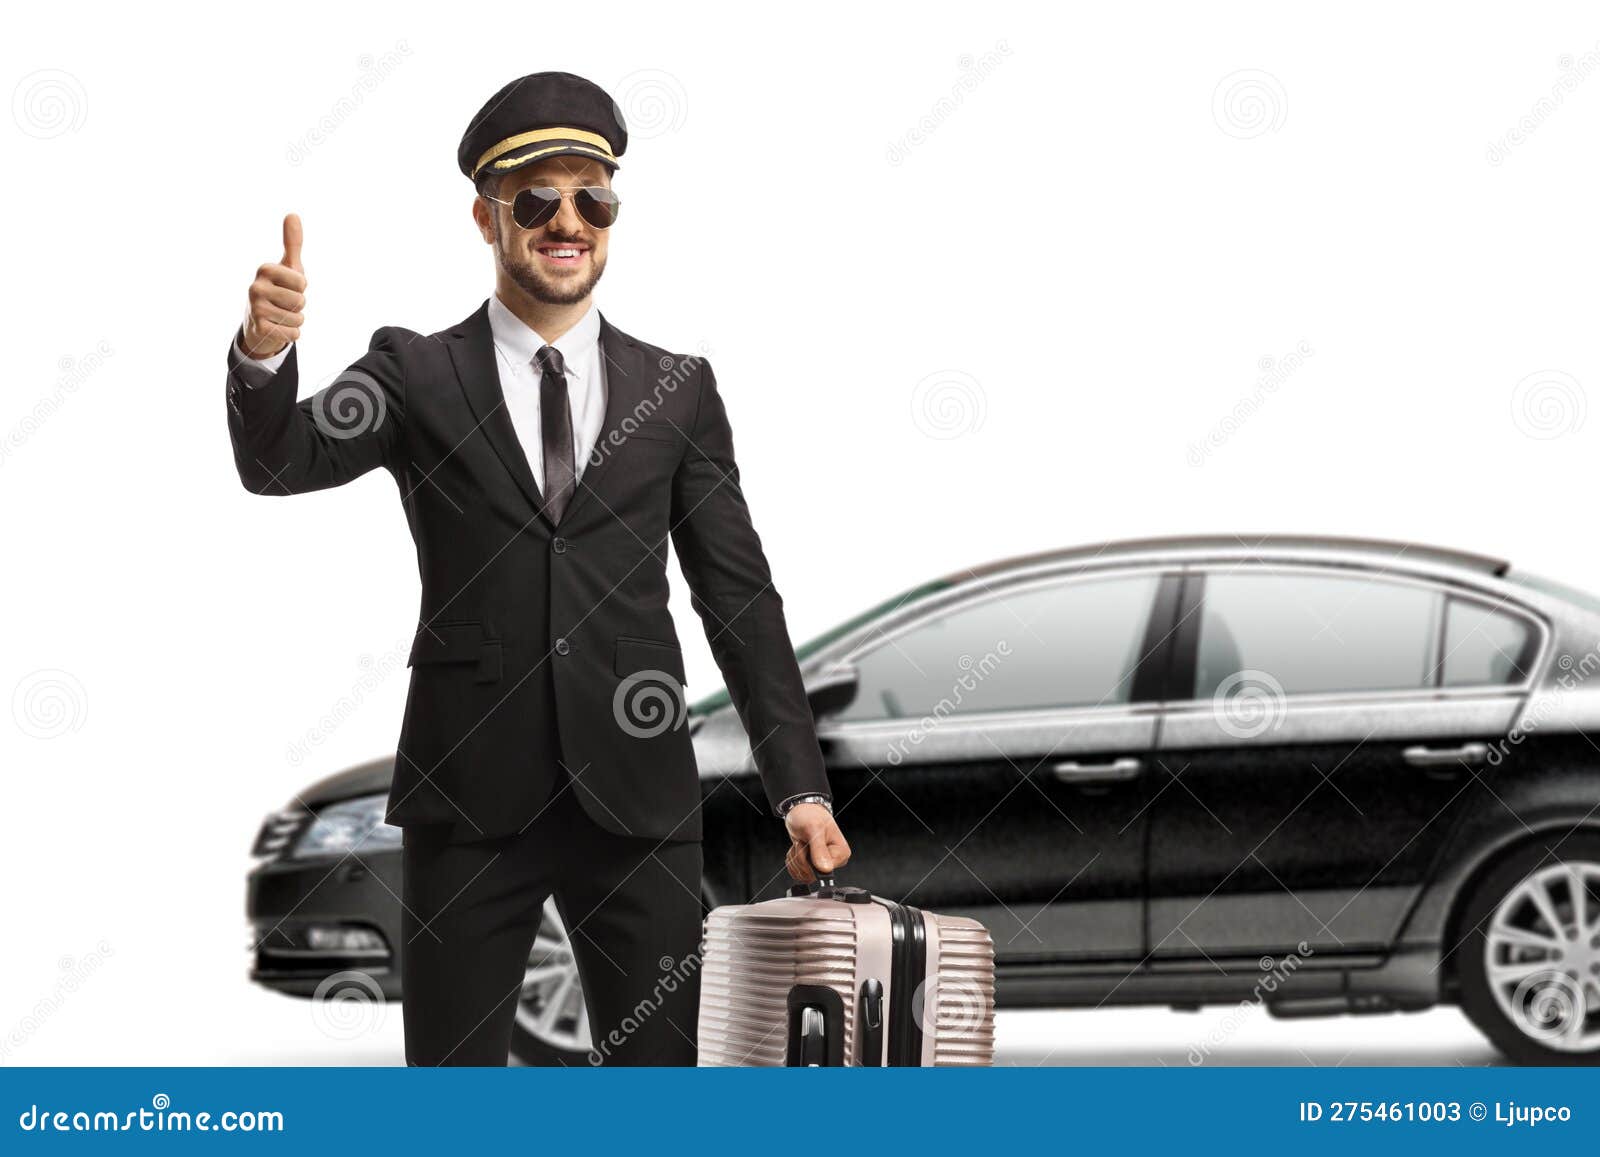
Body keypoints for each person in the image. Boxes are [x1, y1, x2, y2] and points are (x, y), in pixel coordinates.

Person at [226, 71, 851, 1065]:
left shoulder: (677, 391)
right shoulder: (415, 372)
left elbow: (736, 594)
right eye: (537, 200)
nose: (569, 220)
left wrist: (799, 789)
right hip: (469, 796)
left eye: (591, 198)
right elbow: (278, 462)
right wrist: (264, 357)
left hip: (637, 798)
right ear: (485, 217)